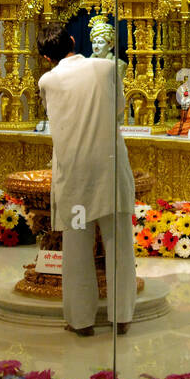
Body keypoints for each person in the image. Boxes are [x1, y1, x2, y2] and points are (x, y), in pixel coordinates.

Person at [37, 23, 138, 337]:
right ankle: (121, 316)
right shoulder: (106, 67)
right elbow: (120, 108)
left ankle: (81, 321)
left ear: (44, 57)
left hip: (74, 171)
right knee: (119, 244)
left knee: (77, 248)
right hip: (108, 166)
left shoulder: (47, 81)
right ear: (73, 40)